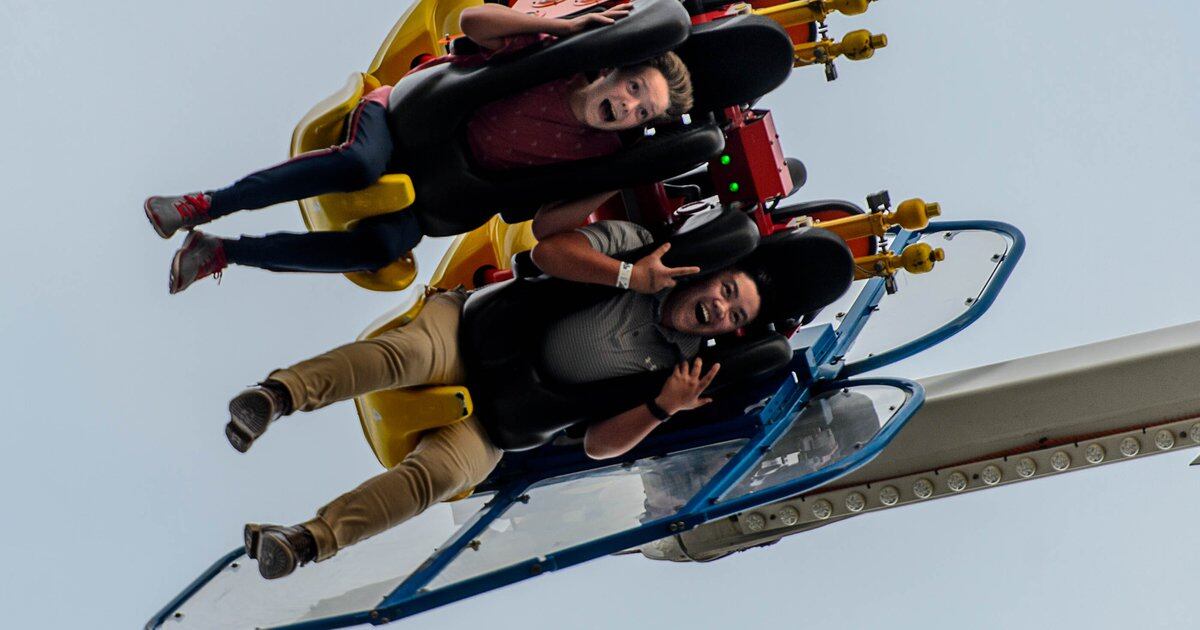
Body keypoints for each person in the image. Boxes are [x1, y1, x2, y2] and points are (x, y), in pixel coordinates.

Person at [230, 219, 839, 580]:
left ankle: (307, 542)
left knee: (437, 478)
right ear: (712, 272)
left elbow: (600, 447)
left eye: (735, 314)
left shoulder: (680, 371)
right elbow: (550, 253)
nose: (722, 306)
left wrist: (663, 409)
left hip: (503, 423)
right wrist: (631, 276)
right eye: (728, 289)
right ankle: (277, 396)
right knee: (404, 357)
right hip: (469, 336)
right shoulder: (640, 246)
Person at [144, 3, 694, 293]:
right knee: (361, 164)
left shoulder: (593, 155)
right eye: (634, 88)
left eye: (641, 112)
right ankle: (203, 204)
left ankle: (219, 252)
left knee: (382, 248)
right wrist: (564, 28)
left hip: (445, 184)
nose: (627, 105)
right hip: (404, 121)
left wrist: (622, 171)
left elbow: (550, 228)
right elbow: (470, 21)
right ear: (615, 67)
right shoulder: (559, 58)